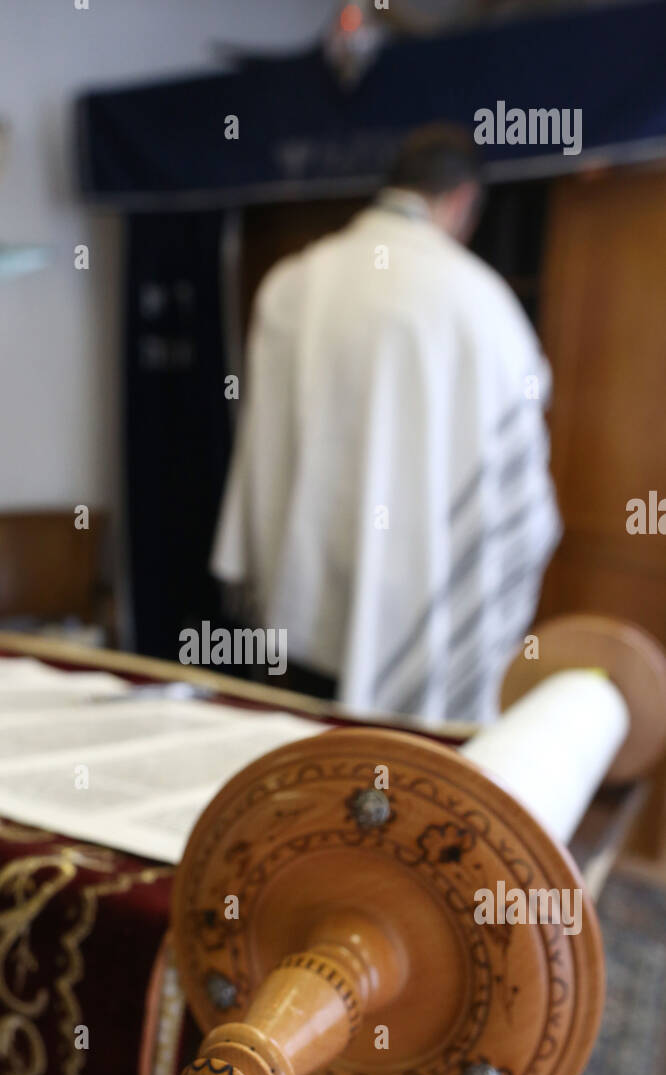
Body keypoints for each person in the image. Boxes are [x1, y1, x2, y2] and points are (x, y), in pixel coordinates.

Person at [210, 124, 561, 722]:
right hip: (422, 611)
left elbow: (262, 450)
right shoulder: (481, 301)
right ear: (461, 201)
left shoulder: (295, 282)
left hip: (301, 609)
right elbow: (518, 491)